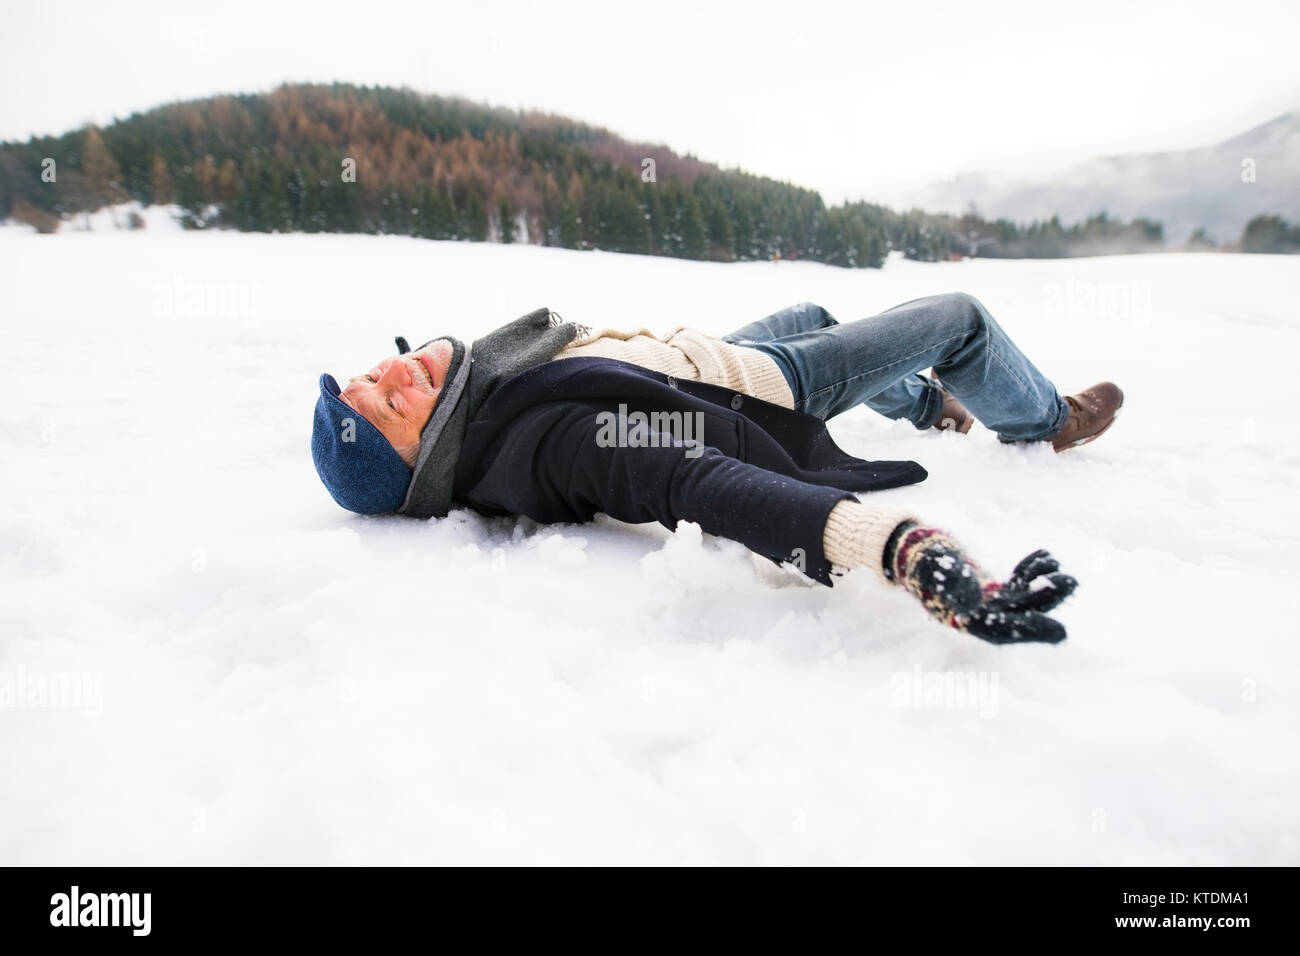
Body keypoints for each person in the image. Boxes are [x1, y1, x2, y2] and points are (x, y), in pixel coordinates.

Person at [311, 294, 1124, 645]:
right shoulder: (555, 442)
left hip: (701, 355)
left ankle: (925, 407)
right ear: (427, 463)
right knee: (960, 320)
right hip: (761, 387)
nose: (394, 374)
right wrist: (905, 552)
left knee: (809, 312)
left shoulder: (484, 389)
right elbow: (696, 479)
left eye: (370, 378)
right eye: (388, 408)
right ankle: (1046, 421)